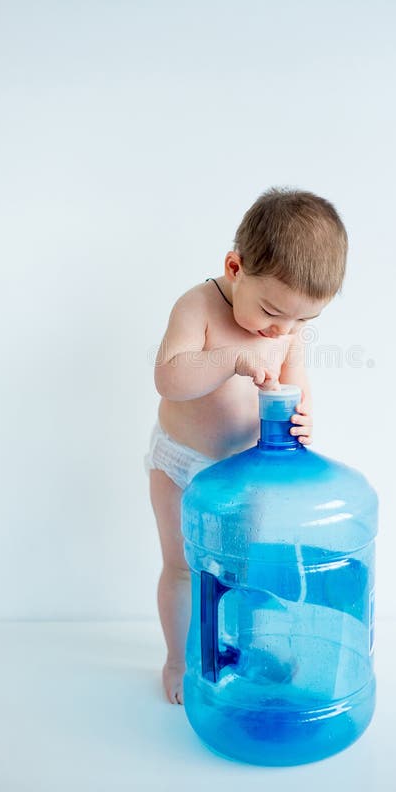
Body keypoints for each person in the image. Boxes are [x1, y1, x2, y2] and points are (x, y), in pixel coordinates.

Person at [143, 185, 348, 703]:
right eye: (273, 311)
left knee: (240, 571)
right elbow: (169, 378)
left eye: (303, 320)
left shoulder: (287, 330)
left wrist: (302, 418)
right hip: (182, 463)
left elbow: (295, 388)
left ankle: (243, 652)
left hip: (242, 474)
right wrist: (230, 359)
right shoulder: (198, 307)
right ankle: (178, 661)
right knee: (184, 568)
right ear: (235, 268)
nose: (284, 329)